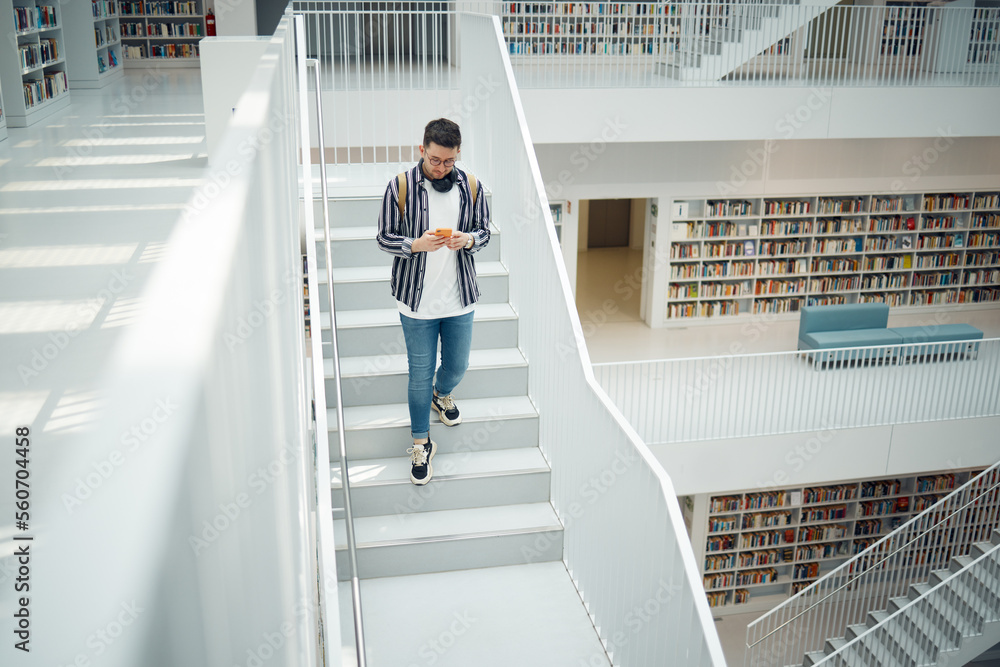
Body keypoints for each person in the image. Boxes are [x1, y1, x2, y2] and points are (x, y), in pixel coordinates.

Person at [376, 118, 491, 486]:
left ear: (458, 155)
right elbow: (383, 238)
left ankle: (443, 393)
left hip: (459, 298)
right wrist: (415, 245)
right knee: (418, 373)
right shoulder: (400, 187)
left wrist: (469, 240)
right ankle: (421, 442)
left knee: (458, 365)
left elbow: (486, 232)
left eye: (449, 161)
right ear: (422, 149)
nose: (442, 167)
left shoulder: (471, 186)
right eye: (436, 160)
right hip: (416, 302)